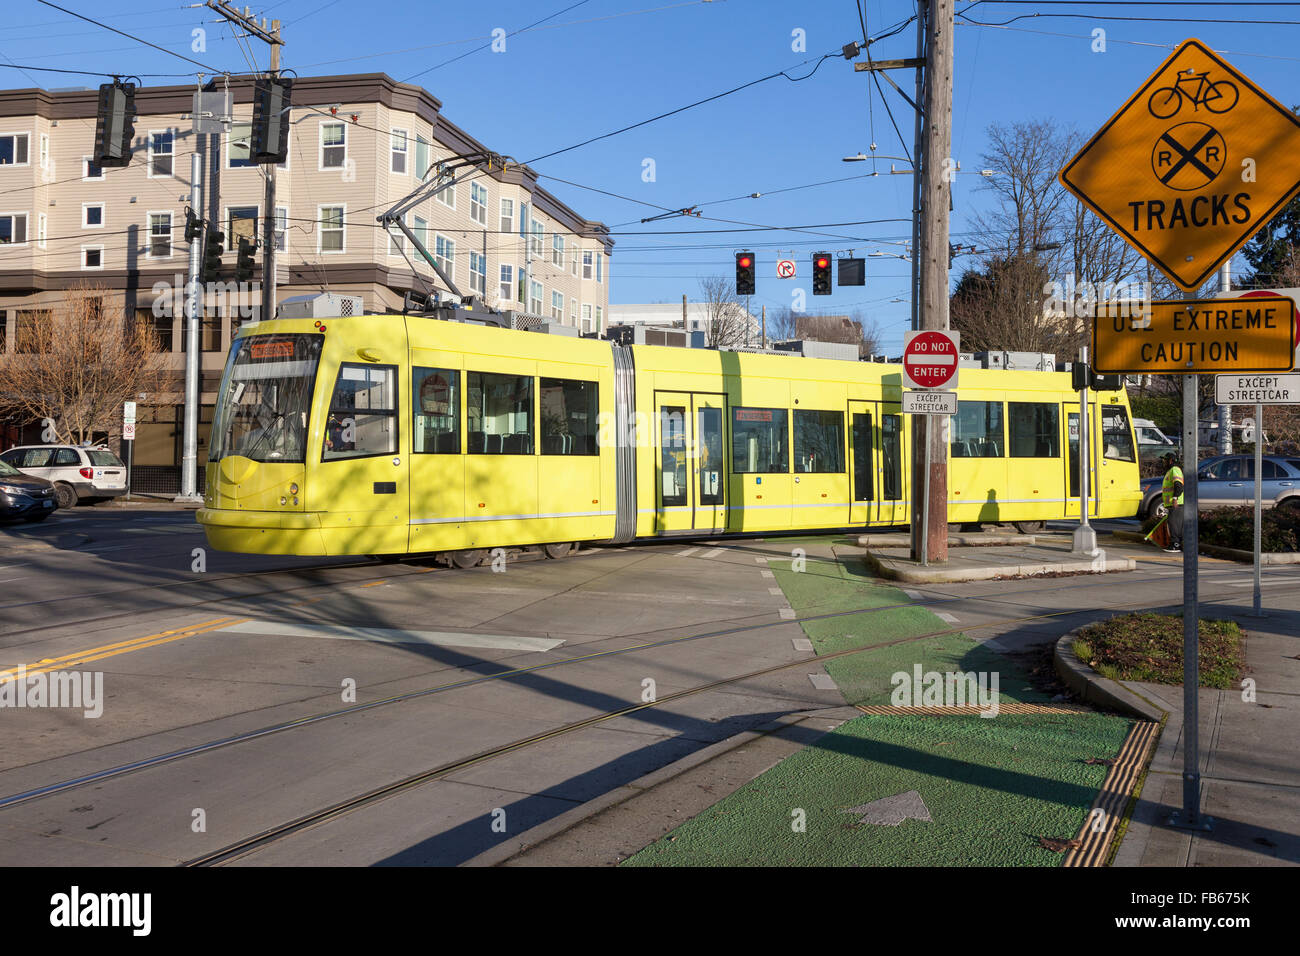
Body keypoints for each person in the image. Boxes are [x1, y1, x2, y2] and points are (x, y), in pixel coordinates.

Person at [1160, 452, 1184, 552]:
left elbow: (1178, 485)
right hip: (1172, 503)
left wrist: (1175, 498)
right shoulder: (1170, 471)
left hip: (1177, 503)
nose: (1164, 462)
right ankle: (1177, 544)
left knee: (1174, 524)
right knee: (1174, 524)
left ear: (1170, 460)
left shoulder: (1175, 470)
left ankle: (1175, 545)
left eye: (1165, 460)